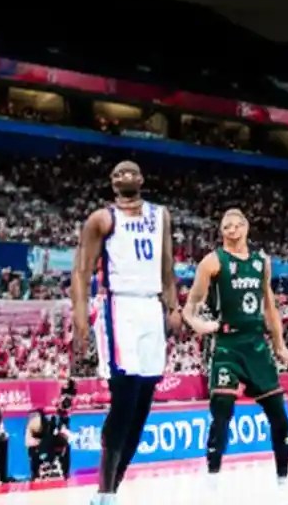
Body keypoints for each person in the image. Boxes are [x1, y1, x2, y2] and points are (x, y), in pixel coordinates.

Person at [71, 161, 180, 505]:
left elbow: (166, 267)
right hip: (120, 308)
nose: (124, 176)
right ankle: (105, 492)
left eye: (130, 171)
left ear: (142, 178)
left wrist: (174, 307)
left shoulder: (160, 215)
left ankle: (110, 492)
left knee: (142, 406)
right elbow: (81, 271)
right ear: (112, 183)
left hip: (151, 308)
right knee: (124, 400)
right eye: (117, 173)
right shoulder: (102, 219)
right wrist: (80, 320)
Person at [183, 209, 288, 493]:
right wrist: (200, 324)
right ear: (221, 231)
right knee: (221, 411)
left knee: (279, 416)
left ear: (246, 228)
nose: (232, 229)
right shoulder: (212, 261)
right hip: (227, 344)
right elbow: (191, 306)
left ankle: (283, 482)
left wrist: (280, 345)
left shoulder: (262, 261)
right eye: (226, 226)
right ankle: (212, 482)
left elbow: (269, 306)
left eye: (237, 224)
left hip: (256, 344)